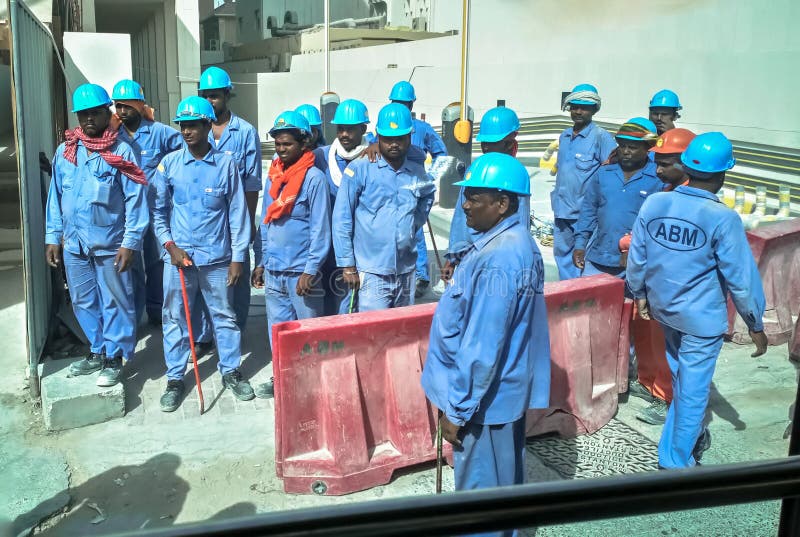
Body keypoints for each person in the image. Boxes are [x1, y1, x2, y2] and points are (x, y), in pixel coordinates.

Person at [421, 154, 550, 530]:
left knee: (480, 501)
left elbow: (481, 348)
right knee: (503, 487)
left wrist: (457, 412)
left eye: (474, 197)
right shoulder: (512, 243)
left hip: (483, 404)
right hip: (500, 396)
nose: (464, 205)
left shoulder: (499, 257)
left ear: (503, 203)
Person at [627, 132, 768, 468]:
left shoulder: (656, 203)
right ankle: (676, 463)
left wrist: (639, 293)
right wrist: (755, 324)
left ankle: (678, 444)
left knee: (681, 379)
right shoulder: (722, 217)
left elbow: (637, 256)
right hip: (701, 321)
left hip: (665, 311)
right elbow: (742, 279)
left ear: (687, 166)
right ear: (722, 175)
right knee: (692, 392)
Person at [152, 96, 253, 412]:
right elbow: (157, 212)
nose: (187, 131)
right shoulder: (169, 164)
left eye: (194, 125)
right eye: (183, 125)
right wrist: (170, 245)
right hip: (179, 261)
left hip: (217, 260)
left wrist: (238, 257)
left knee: (224, 316)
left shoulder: (226, 165)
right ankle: (175, 378)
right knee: (175, 318)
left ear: (208, 126)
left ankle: (231, 370)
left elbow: (237, 213)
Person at [45, 83, 148, 387]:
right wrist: (53, 236)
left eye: (95, 112)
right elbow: (55, 198)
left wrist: (130, 243)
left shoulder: (122, 151)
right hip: (74, 244)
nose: (89, 118)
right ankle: (97, 349)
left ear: (107, 113)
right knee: (83, 300)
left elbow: (136, 201)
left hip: (110, 244)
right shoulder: (66, 152)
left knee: (115, 301)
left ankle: (115, 357)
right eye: (83, 114)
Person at [251, 111, 330, 399]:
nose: (281, 149)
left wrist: (311, 270)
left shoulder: (314, 179)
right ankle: (283, 380)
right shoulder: (274, 176)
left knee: (308, 331)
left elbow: (320, 230)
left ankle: (312, 386)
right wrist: (260, 261)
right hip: (274, 271)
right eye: (278, 144)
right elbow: (265, 221)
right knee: (279, 331)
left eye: (287, 144)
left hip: (301, 274)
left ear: (303, 143)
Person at [624, 127, 697, 426]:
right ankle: (648, 382)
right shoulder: (666, 192)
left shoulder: (691, 200)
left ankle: (666, 398)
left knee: (667, 346)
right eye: (658, 162)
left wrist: (630, 243)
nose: (659, 170)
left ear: (687, 163)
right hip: (651, 283)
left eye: (666, 163)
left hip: (671, 288)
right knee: (647, 337)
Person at [333, 103, 435, 312]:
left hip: (405, 270)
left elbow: (427, 195)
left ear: (410, 137)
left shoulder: (417, 171)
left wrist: (412, 225)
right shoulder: (360, 169)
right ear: (378, 136)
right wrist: (347, 265)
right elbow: (342, 218)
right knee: (373, 329)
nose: (394, 144)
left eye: (400, 138)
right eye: (388, 139)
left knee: (402, 328)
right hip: (372, 272)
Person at [112, 78, 183, 326]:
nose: (122, 111)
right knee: (130, 263)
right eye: (118, 106)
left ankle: (156, 310)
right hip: (127, 212)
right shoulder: (113, 137)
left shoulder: (159, 132)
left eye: (127, 106)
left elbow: (187, 150)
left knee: (156, 262)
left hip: (155, 210)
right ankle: (133, 313)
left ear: (140, 106)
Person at [198, 66, 262, 332]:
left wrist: (247, 223)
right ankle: (206, 334)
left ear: (227, 95)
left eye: (215, 96)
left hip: (235, 218)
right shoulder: (195, 129)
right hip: (205, 219)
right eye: (206, 96)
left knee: (237, 274)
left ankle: (236, 329)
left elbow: (252, 182)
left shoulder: (245, 132)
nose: (210, 101)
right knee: (205, 277)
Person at [442, 106, 531, 282]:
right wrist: (452, 258)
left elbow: (521, 223)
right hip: (471, 257)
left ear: (509, 143)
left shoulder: (516, 176)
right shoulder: (476, 171)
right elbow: (460, 218)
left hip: (502, 260)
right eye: (484, 143)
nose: (485, 147)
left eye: (491, 143)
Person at [572, 117, 662, 279]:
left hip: (636, 263)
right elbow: (588, 211)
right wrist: (580, 245)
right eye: (622, 146)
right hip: (598, 258)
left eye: (632, 147)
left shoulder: (657, 180)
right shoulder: (604, 173)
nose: (625, 151)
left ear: (648, 149)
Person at [550, 83, 617, 280]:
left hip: (585, 215)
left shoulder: (601, 138)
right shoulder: (565, 136)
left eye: (584, 108)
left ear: (594, 110)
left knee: (582, 259)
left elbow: (609, 174)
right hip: (562, 210)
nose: (578, 112)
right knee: (562, 257)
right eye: (575, 107)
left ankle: (580, 294)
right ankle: (567, 292)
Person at [388, 81, 448, 297]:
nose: (400, 107)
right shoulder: (386, 124)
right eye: (396, 103)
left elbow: (442, 154)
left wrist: (430, 178)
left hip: (414, 187)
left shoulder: (422, 129)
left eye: (404, 103)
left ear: (411, 105)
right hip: (390, 186)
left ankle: (421, 275)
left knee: (415, 229)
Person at [313, 99, 371, 315]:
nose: (344, 134)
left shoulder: (374, 156)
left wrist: (375, 146)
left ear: (363, 129)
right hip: (326, 247)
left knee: (349, 306)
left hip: (358, 248)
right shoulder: (321, 156)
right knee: (324, 304)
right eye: (341, 129)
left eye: (350, 129)